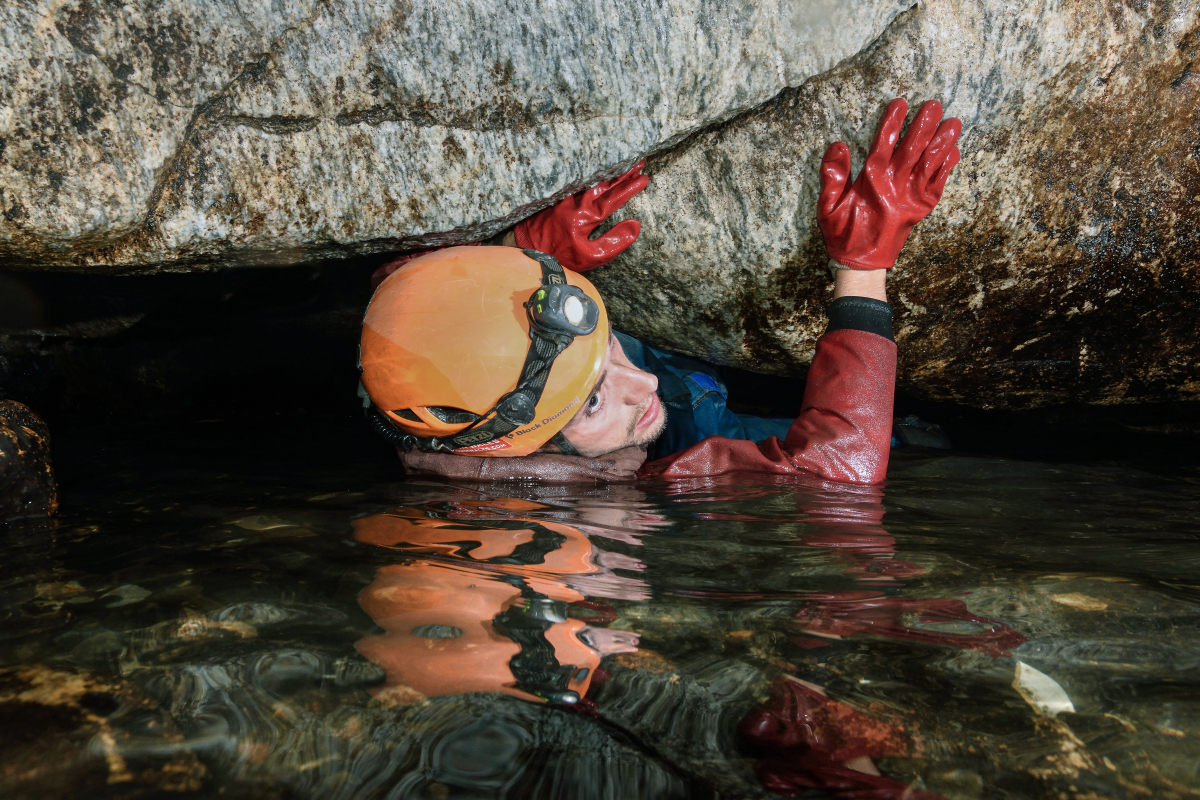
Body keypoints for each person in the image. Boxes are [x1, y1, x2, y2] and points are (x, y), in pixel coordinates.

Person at [359, 98, 961, 484]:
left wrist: (522, 259)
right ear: (522, 450)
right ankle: (912, 434)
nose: (638, 383)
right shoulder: (656, 482)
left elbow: (398, 285)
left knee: (610, 369)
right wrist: (863, 267)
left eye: (606, 353)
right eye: (591, 401)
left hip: (602, 415)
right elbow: (840, 468)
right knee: (726, 419)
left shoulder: (411, 372)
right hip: (675, 438)